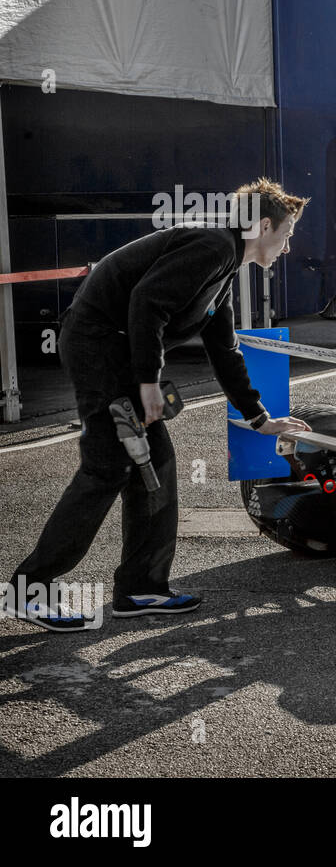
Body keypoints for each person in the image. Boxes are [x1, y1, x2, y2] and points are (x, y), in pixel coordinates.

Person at [4, 178, 312, 632]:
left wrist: (259, 417)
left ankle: (140, 588)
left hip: (117, 354)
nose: (286, 247)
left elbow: (224, 351)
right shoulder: (211, 246)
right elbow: (147, 303)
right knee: (107, 468)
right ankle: (29, 589)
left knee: (156, 465)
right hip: (99, 348)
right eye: (285, 235)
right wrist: (148, 381)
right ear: (263, 225)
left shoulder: (222, 267)